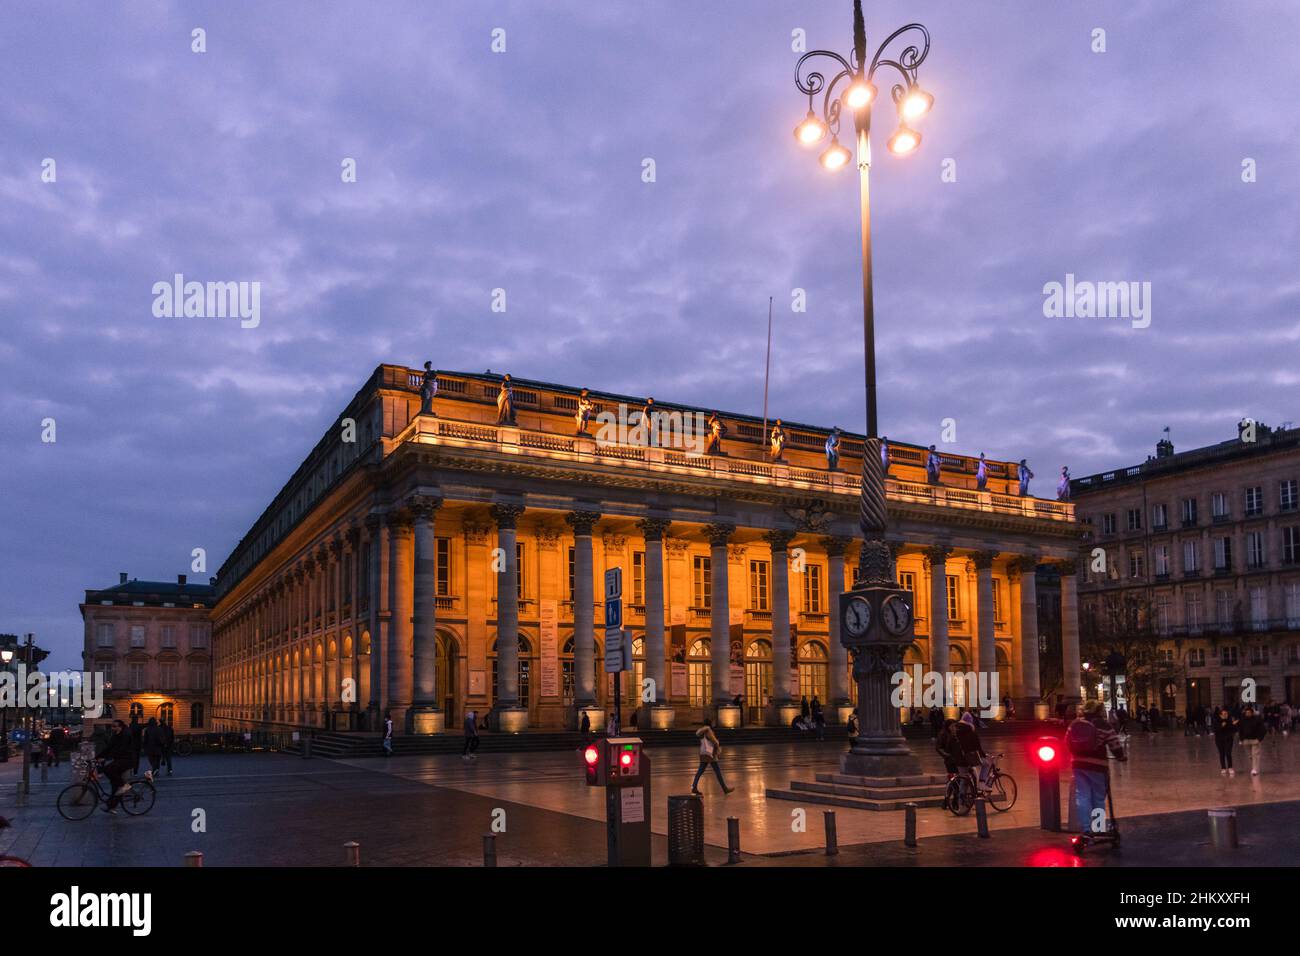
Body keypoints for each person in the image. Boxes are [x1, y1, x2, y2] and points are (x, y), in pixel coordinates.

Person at [1067, 700, 1126, 835]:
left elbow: (1067, 742)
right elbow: (1114, 743)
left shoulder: (1075, 724)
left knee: (1082, 796)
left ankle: (1086, 829)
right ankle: (1098, 828)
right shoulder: (1103, 725)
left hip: (1078, 765)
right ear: (1099, 711)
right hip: (1098, 766)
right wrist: (1121, 756)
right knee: (1098, 798)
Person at [95, 719, 134, 813]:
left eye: (115, 726)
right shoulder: (115, 736)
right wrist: (97, 757)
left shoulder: (125, 735)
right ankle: (111, 806)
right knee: (114, 785)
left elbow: (121, 749)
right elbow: (109, 748)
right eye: (112, 726)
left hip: (127, 760)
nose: (112, 728)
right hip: (119, 760)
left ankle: (124, 785)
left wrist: (106, 758)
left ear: (120, 727)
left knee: (108, 770)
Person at [691, 719, 733, 795]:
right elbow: (714, 741)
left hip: (704, 753)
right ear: (710, 723)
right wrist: (718, 745)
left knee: (700, 771)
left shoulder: (702, 731)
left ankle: (694, 787)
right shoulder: (708, 730)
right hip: (710, 754)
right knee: (717, 771)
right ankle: (725, 789)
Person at [953, 712, 988, 788]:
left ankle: (961, 797)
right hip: (969, 757)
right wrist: (984, 756)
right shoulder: (971, 733)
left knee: (964, 778)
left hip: (958, 758)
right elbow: (977, 747)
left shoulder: (956, 732)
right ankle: (982, 783)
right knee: (986, 764)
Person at [1238, 704, 1267, 776]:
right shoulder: (1242, 720)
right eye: (1246, 712)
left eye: (1249, 712)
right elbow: (1240, 730)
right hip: (1246, 740)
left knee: (1255, 755)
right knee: (1250, 756)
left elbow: (1263, 730)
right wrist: (1241, 739)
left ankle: (1255, 769)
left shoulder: (1257, 719)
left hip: (1255, 740)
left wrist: (1259, 739)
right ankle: (1254, 767)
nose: (1248, 714)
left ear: (1252, 713)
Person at [1212, 706, 1237, 776]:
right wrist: (1221, 726)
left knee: (1228, 753)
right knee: (1222, 753)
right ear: (1220, 715)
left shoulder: (1230, 720)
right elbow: (1215, 730)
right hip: (1219, 740)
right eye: (1223, 714)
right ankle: (1223, 768)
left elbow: (1234, 730)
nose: (1225, 715)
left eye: (1226, 714)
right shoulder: (1216, 721)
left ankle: (1230, 767)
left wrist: (1234, 725)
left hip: (1228, 739)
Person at [141, 717, 164, 782]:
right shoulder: (159, 729)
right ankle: (156, 770)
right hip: (158, 747)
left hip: (150, 747)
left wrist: (144, 746)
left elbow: (145, 740)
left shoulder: (147, 730)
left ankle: (154, 769)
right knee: (157, 760)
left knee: (152, 760)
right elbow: (163, 738)